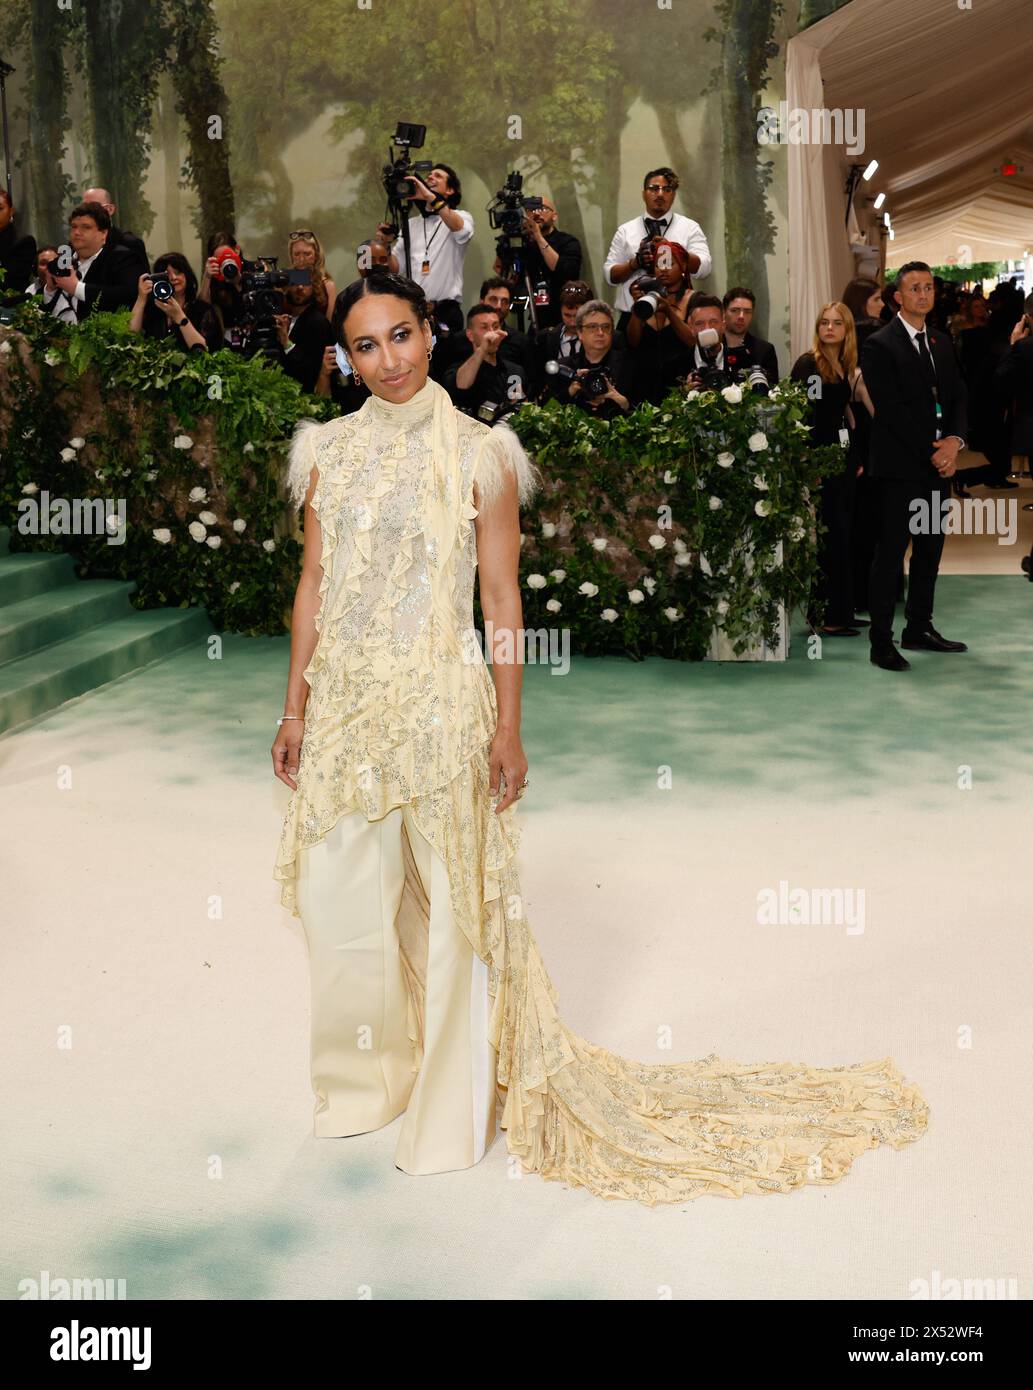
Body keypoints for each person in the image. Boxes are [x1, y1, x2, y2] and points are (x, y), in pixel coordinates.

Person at [270, 269, 929, 1202]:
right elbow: (312, 583)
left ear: (433, 333)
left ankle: (447, 1115)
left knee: (460, 917)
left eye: (403, 336)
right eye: (365, 345)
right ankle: (359, 1087)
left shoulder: (480, 452)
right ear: (345, 353)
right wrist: (294, 707)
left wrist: (509, 725)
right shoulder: (326, 452)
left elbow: (501, 599)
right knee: (342, 911)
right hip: (342, 711)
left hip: (438, 708)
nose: (387, 361)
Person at [860, 262, 969, 672]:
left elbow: (959, 395)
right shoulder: (879, 344)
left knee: (929, 550)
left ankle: (919, 627)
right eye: (915, 288)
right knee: (890, 556)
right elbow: (889, 410)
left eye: (929, 288)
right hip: (898, 469)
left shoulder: (941, 342)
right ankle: (881, 642)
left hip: (936, 468)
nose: (924, 294)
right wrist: (934, 451)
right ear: (897, 298)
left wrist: (954, 444)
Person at [791, 302, 872, 637]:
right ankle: (827, 615)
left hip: (842, 458)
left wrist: (853, 456)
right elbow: (804, 416)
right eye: (824, 322)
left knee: (845, 536)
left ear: (847, 330)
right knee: (830, 539)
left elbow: (842, 416)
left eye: (837, 323)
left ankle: (843, 609)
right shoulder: (810, 364)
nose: (829, 328)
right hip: (821, 461)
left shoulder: (843, 365)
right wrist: (810, 463)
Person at [603, 167, 712, 333]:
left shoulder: (689, 228)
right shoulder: (626, 230)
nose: (660, 194)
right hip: (632, 316)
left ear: (673, 195)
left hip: (676, 318)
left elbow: (704, 268)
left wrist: (674, 251)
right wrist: (635, 263)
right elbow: (610, 275)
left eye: (667, 189)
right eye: (654, 188)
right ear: (643, 193)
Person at [385, 163, 474, 306]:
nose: (430, 177)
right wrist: (385, 245)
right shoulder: (411, 224)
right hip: (416, 308)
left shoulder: (461, 216)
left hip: (446, 310)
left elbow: (460, 230)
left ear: (450, 190)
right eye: (429, 175)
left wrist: (429, 196)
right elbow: (395, 268)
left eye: (438, 176)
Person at [491, 196, 582, 330]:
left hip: (561, 314)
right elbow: (499, 267)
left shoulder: (568, 242)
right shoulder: (523, 243)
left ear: (555, 216)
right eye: (531, 209)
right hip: (532, 313)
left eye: (543, 209)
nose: (537, 213)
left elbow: (564, 271)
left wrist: (538, 236)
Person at [625, 239, 696, 405]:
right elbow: (632, 342)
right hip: (643, 382)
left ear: (683, 266)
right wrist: (638, 308)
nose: (664, 269)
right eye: (658, 264)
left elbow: (693, 341)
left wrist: (669, 311)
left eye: (670, 263)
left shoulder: (694, 299)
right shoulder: (647, 298)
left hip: (681, 382)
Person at [47, 202, 139, 321]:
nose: (77, 232)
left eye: (86, 227)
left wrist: (76, 288)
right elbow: (45, 307)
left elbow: (127, 296)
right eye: (74, 226)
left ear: (104, 233)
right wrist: (50, 290)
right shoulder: (65, 258)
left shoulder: (122, 257)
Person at [549, 298, 633, 419]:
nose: (600, 332)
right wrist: (570, 391)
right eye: (592, 327)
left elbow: (646, 411)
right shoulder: (563, 368)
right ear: (580, 333)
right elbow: (546, 413)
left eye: (606, 327)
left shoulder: (629, 365)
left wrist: (623, 403)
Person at [443, 302, 529, 419]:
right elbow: (462, 385)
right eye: (484, 327)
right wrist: (483, 348)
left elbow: (518, 406)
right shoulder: (458, 370)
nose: (491, 333)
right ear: (470, 335)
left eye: (495, 326)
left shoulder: (514, 371)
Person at [128, 252, 222, 351]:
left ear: (187, 275)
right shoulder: (153, 309)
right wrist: (141, 299)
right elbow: (130, 338)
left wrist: (179, 316)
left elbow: (204, 350)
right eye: (167, 274)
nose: (173, 277)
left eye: (178, 272)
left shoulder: (202, 310)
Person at [82, 185, 149, 274]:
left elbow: (144, 282)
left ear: (110, 209)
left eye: (93, 207)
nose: (86, 213)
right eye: (83, 208)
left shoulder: (129, 243)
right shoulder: (77, 242)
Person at [722, 286, 779, 385]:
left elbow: (773, 392)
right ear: (724, 312)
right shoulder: (712, 348)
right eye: (735, 310)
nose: (741, 316)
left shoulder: (765, 350)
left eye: (747, 312)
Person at [288, 229, 337, 323]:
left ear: (316, 254)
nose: (301, 259)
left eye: (307, 254)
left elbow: (330, 328)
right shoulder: (284, 283)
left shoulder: (327, 285)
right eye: (296, 254)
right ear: (291, 255)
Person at [0, 188, 37, 298]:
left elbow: (12, 283)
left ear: (11, 211)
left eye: (0, 208)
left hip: (11, 305)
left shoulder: (24, 242)